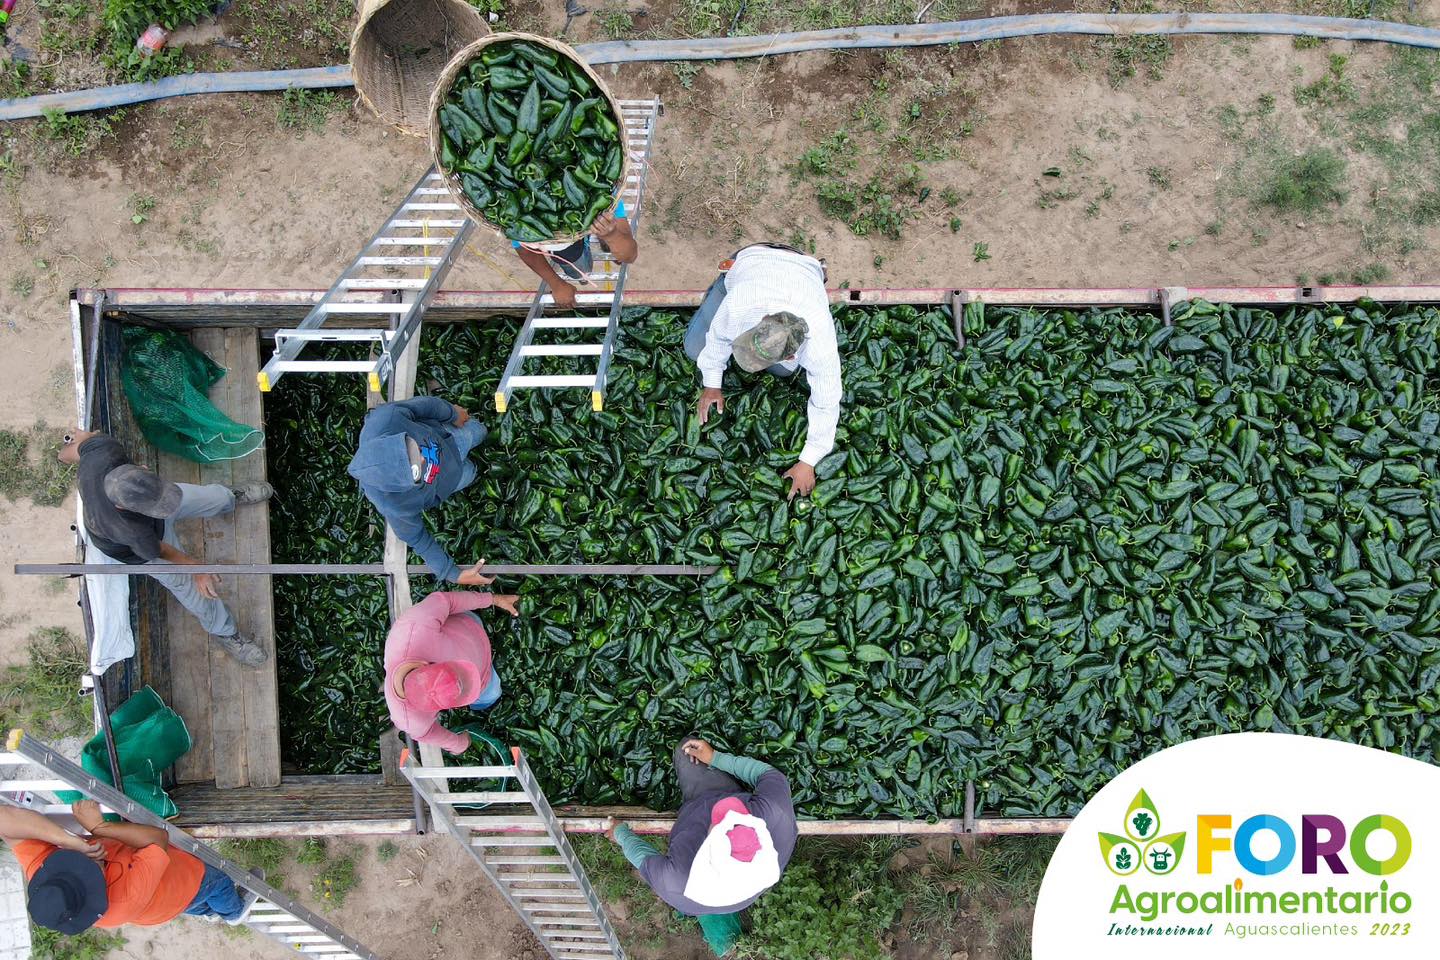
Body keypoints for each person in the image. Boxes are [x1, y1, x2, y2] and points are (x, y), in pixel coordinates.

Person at [59, 431, 270, 667]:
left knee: (205, 497)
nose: (168, 509)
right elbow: (160, 551)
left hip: (140, 499)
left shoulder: (102, 450)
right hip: (141, 551)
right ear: (123, 506)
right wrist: (197, 569)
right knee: (193, 589)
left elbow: (80, 445)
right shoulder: (123, 528)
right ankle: (225, 632)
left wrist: (63, 454)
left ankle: (230, 496)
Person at [685, 243, 842, 500]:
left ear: (793, 354)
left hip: (803, 276)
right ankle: (724, 280)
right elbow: (717, 337)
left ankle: (817, 270)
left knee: (781, 372)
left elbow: (826, 402)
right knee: (694, 347)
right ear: (763, 319)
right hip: (753, 261)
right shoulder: (741, 302)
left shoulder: (820, 345)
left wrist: (808, 460)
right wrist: (712, 384)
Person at [606, 737, 796, 933]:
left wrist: (620, 832)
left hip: (698, 810)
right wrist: (716, 758)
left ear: (709, 843)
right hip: (720, 792)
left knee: (685, 751)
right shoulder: (775, 815)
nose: (729, 814)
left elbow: (642, 856)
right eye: (736, 813)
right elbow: (768, 774)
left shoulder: (677, 882)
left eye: (719, 821)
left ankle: (692, 800)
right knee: (689, 748)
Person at [1, 799, 259, 931]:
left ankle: (210, 913)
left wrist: (69, 841)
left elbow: (5, 821)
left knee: (195, 906)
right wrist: (99, 827)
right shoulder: (126, 898)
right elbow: (158, 839)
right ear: (95, 893)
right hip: (182, 883)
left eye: (71, 861)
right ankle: (233, 913)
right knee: (218, 883)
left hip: (157, 901)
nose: (87, 858)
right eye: (90, 869)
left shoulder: (47, 880)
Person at [346, 396, 490, 585]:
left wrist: (452, 413)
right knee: (471, 472)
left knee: (479, 431)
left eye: (412, 447)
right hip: (450, 481)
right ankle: (475, 468)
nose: (422, 458)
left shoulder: (384, 420)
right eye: (414, 471)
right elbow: (418, 538)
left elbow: (424, 406)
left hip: (449, 438)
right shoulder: (393, 505)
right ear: (399, 485)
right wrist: (453, 574)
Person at [384, 588, 520, 754]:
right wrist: (461, 743)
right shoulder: (410, 720)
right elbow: (432, 735)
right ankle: (479, 703)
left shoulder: (413, 629)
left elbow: (447, 601)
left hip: (467, 626)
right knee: (491, 693)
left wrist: (493, 599)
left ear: (425, 663)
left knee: (472, 616)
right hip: (485, 680)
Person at [515, 208, 637, 309]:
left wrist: (613, 236)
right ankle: (582, 274)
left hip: (586, 213)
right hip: (564, 241)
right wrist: (556, 284)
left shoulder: (608, 196)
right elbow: (523, 248)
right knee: (580, 266)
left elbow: (630, 256)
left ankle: (603, 233)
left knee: (606, 224)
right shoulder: (518, 216)